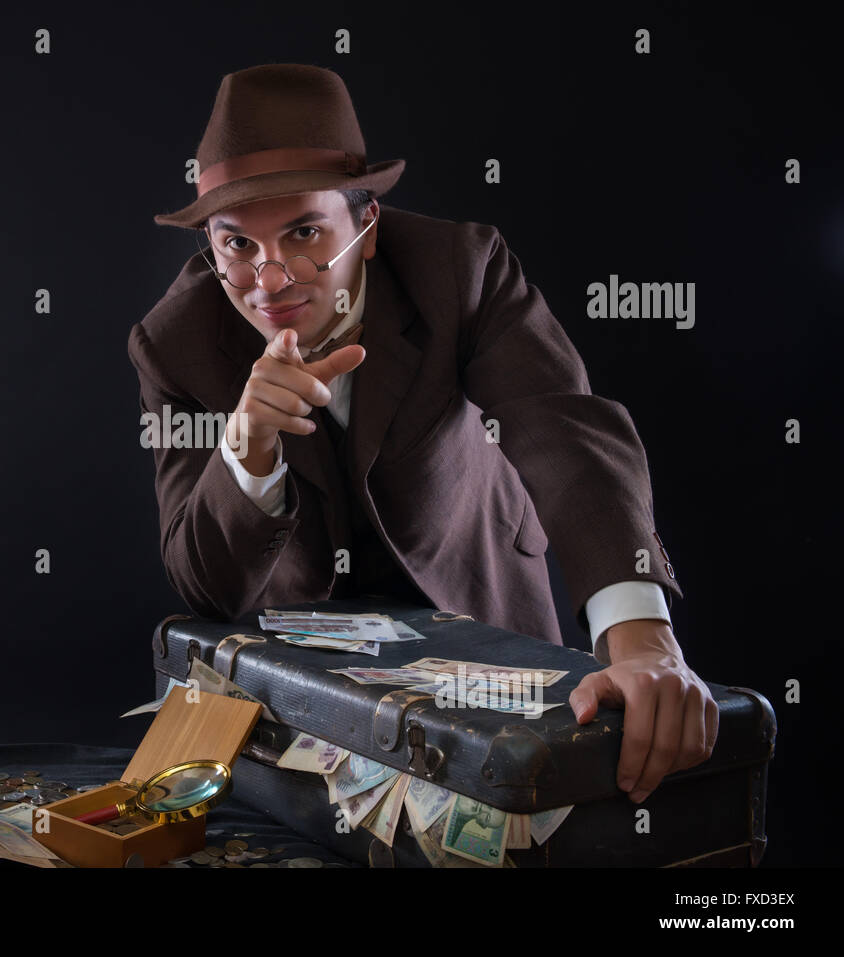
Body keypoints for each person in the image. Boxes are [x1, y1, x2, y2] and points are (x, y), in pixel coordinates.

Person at [128, 63, 716, 804]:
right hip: (309, 697)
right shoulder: (173, 342)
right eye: (235, 244)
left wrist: (640, 635)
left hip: (484, 617)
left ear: (366, 226)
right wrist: (245, 455)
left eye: (305, 231)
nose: (269, 279)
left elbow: (565, 427)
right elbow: (203, 586)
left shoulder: (459, 270)